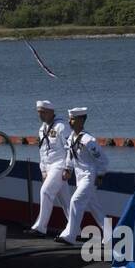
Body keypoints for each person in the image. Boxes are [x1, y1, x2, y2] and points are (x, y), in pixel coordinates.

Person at [56, 106, 106, 245]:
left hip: (89, 176)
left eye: (72, 119)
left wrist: (100, 175)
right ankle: (110, 236)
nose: (69, 121)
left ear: (81, 121)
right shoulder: (72, 137)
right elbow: (70, 155)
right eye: (69, 118)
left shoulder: (88, 140)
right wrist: (68, 169)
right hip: (79, 177)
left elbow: (102, 159)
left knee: (75, 201)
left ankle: (70, 235)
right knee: (95, 208)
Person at [27, 100, 71, 236]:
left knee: (46, 192)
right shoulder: (43, 128)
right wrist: (44, 170)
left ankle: (40, 228)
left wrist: (68, 168)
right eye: (39, 112)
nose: (40, 115)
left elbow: (70, 149)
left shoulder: (61, 126)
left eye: (43, 112)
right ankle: (76, 229)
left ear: (51, 112)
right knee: (66, 201)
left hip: (60, 164)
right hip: (50, 166)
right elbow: (43, 151)